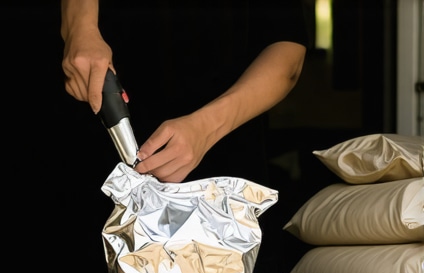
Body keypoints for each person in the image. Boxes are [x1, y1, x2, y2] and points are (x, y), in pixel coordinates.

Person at [60, 0, 309, 185]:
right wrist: (80, 28)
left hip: (221, 175)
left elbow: (287, 54)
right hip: (85, 154)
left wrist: (206, 126)